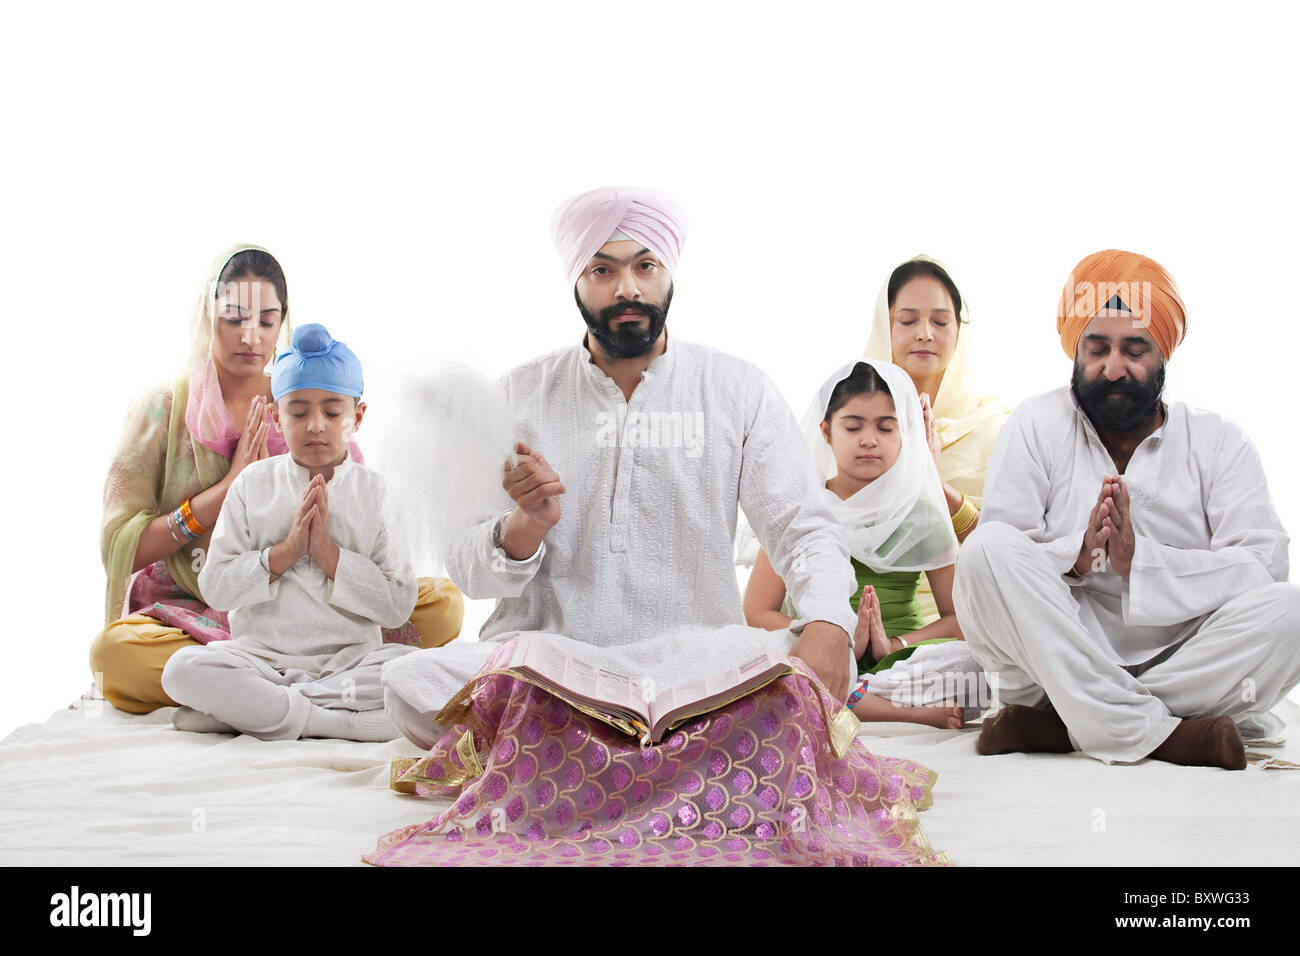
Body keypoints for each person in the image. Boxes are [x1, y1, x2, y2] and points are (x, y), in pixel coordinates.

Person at [370, 188, 944, 865]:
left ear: (670, 271)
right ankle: (683, 763)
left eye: (644, 267)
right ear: (575, 282)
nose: (627, 288)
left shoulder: (736, 390)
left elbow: (802, 526)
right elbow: (465, 566)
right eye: (602, 270)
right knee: (408, 685)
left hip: (695, 664)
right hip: (555, 661)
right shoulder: (519, 395)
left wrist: (826, 624)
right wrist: (525, 526)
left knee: (801, 664)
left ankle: (583, 763)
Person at [953, 249, 1300, 770]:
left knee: (1292, 611)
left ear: (1164, 354)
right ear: (1076, 349)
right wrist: (1075, 555)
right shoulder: (1035, 424)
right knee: (985, 549)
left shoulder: (1219, 440)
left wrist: (1143, 562)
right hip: (1049, 657)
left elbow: (1264, 564)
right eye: (1097, 348)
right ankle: (1161, 734)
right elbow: (1003, 559)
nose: (1113, 369)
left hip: (1184, 657)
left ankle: (1069, 723)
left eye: (1134, 349)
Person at [91, 245, 464, 715]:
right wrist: (223, 493)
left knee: (442, 603)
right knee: (115, 655)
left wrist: (328, 554)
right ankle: (305, 691)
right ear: (208, 316)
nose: (252, 336)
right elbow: (121, 549)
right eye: (235, 318)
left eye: (267, 321)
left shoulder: (306, 393)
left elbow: (362, 513)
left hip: (321, 611)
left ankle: (254, 700)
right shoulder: (162, 409)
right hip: (191, 607)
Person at [162, 324, 420, 741]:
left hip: (351, 663)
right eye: (298, 412)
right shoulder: (252, 484)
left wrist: (329, 556)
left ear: (358, 417)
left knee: (420, 675)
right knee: (181, 671)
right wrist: (283, 553)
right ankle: (333, 721)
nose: (316, 425)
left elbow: (397, 607)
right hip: (261, 659)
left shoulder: (378, 493)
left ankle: (253, 712)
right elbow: (216, 589)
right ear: (276, 418)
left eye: (332, 412)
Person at [744, 360, 979, 730]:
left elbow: (962, 619)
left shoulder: (921, 513)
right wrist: (831, 634)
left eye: (886, 427)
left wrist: (895, 645)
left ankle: (856, 698)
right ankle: (897, 710)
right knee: (765, 659)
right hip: (820, 650)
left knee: (976, 667)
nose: (869, 440)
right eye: (853, 427)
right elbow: (756, 613)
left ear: (905, 434)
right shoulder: (802, 510)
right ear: (826, 431)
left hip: (902, 661)